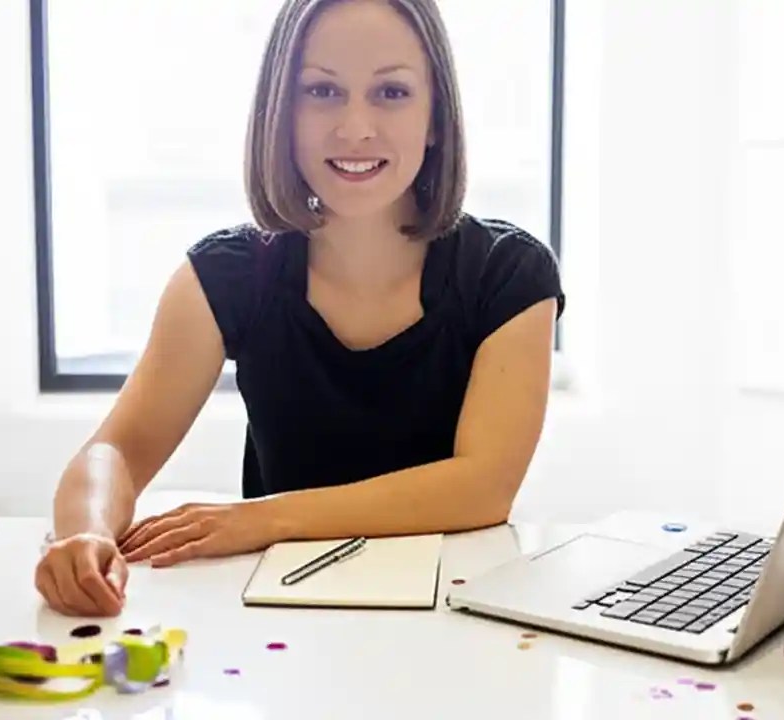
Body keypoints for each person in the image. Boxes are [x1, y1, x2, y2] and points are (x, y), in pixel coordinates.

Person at [34, 0, 564, 618]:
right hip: (285, 624)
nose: (356, 127)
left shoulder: (510, 273)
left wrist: (264, 518)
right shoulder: (226, 274)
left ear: (437, 119)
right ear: (282, 113)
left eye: (391, 91)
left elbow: (482, 488)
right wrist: (86, 533)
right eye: (322, 91)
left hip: (463, 620)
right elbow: (114, 452)